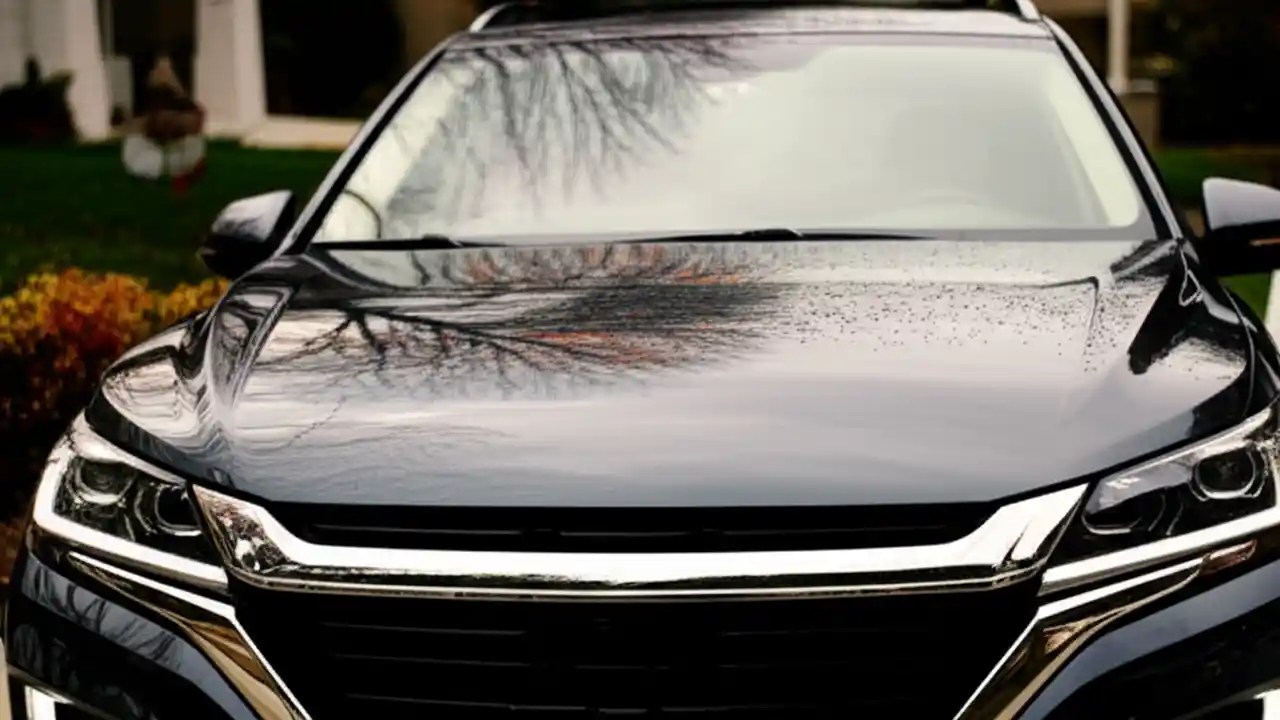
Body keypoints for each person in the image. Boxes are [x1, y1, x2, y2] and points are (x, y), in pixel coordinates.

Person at [121, 57, 207, 193]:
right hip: (148, 158)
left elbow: (196, 120)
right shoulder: (145, 108)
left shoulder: (182, 107)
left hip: (177, 156)